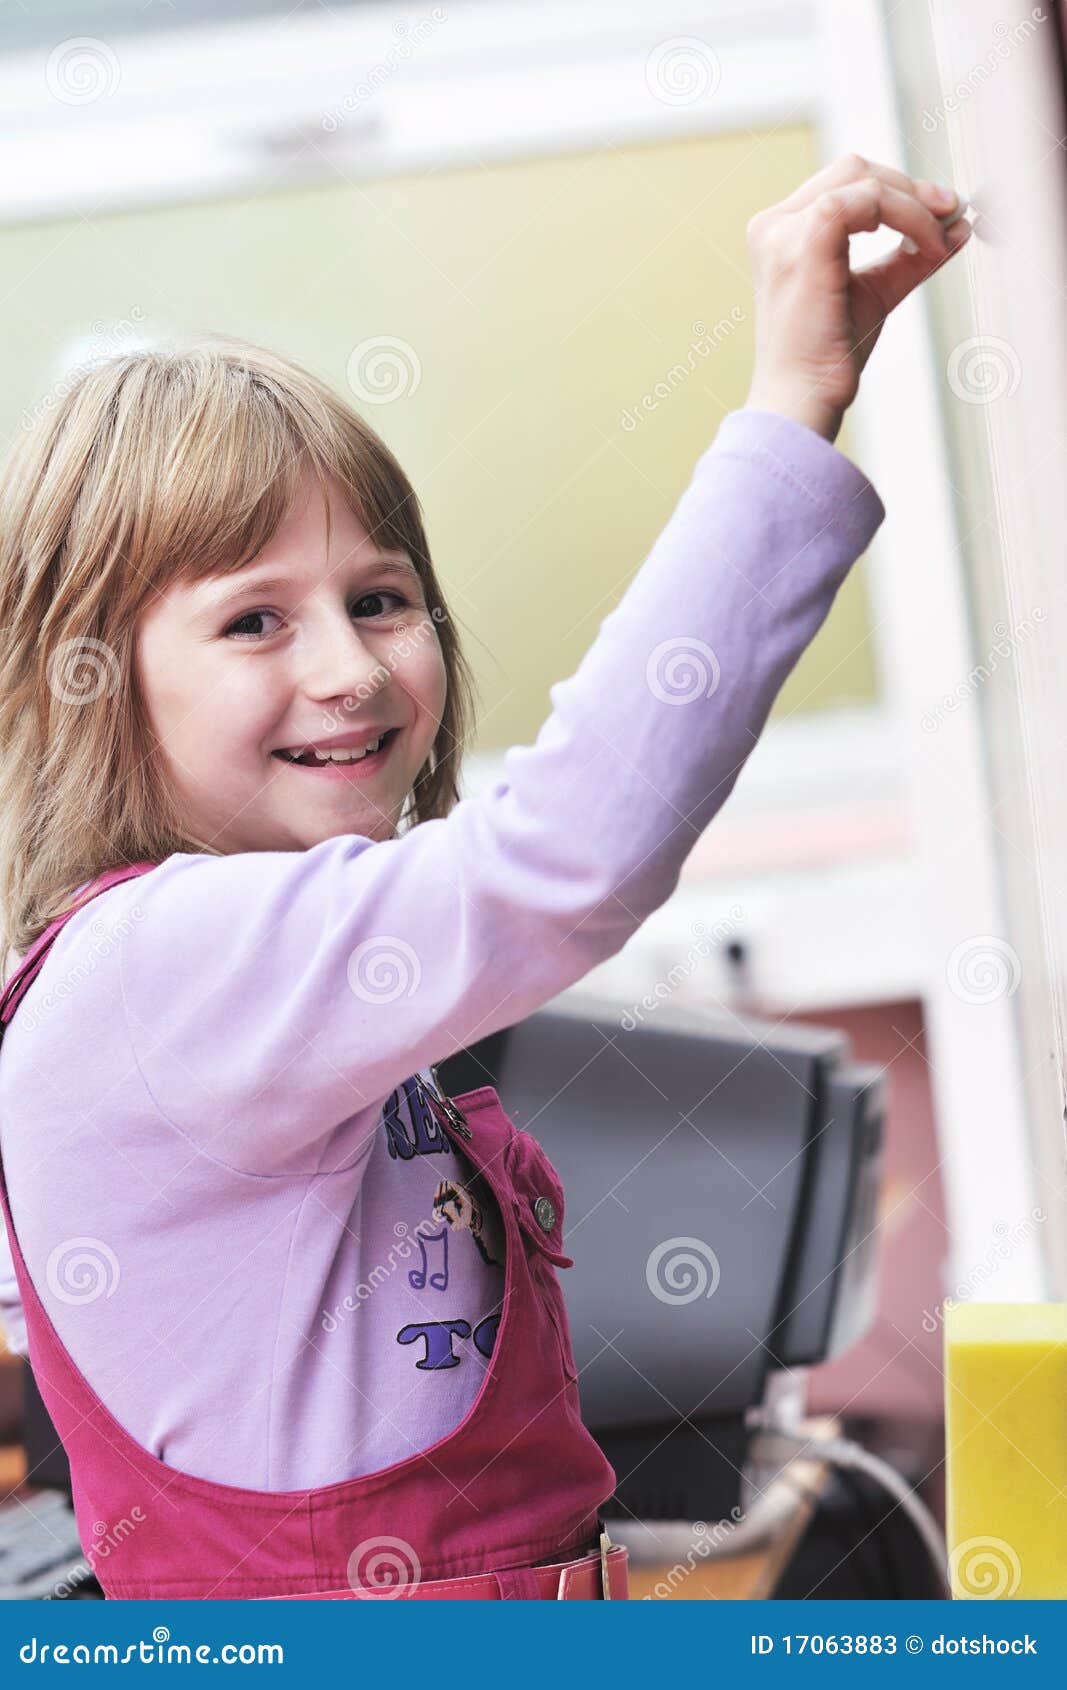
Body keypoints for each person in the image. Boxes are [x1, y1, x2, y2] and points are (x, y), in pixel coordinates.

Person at [0, 154, 970, 1600]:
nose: (348, 667)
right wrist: (790, 405)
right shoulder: (161, 966)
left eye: (380, 598)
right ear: (98, 687)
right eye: (254, 619)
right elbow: (564, 852)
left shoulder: (245, 973)